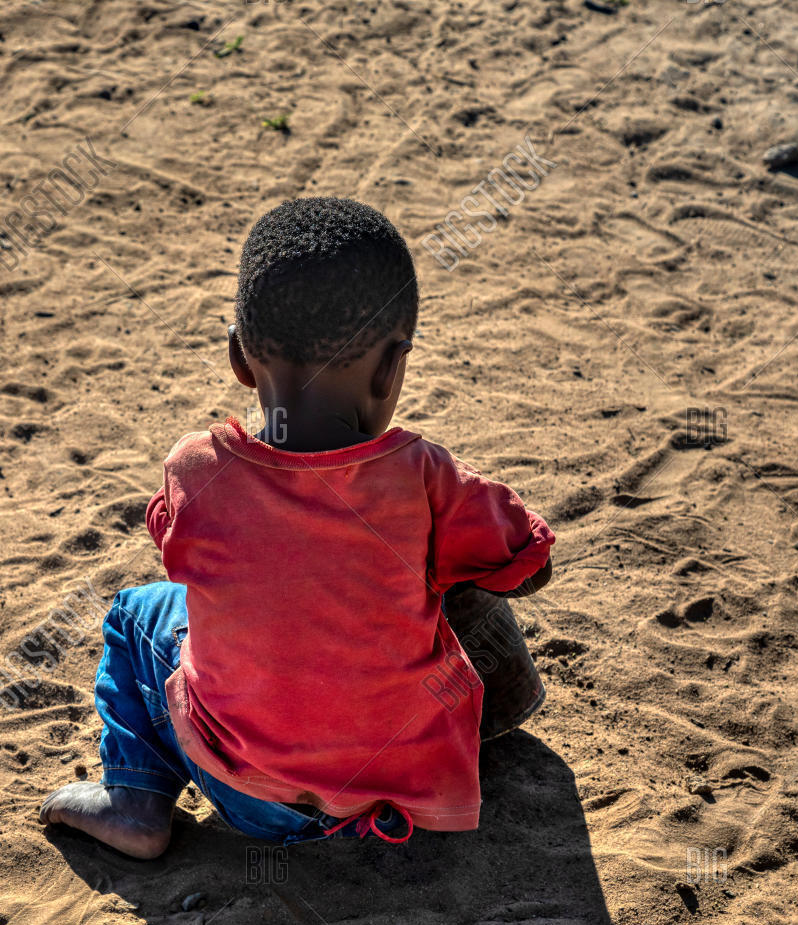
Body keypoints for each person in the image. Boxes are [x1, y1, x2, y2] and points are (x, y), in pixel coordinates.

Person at [40, 197, 553, 857]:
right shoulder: (425, 478)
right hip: (397, 791)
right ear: (393, 369)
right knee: (455, 561)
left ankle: (136, 801)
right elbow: (529, 565)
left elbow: (172, 546)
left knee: (136, 615)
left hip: (249, 799)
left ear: (239, 360)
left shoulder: (197, 470)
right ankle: (490, 728)